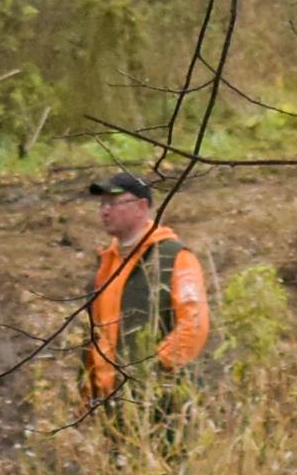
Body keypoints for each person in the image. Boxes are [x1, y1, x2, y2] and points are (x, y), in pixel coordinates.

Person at [79, 172, 215, 448]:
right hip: (112, 407)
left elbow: (194, 325)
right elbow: (99, 335)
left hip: (161, 405)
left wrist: (151, 373)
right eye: (102, 204)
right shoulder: (107, 263)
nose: (105, 210)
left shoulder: (174, 257)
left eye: (114, 203)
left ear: (141, 207)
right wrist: (88, 389)